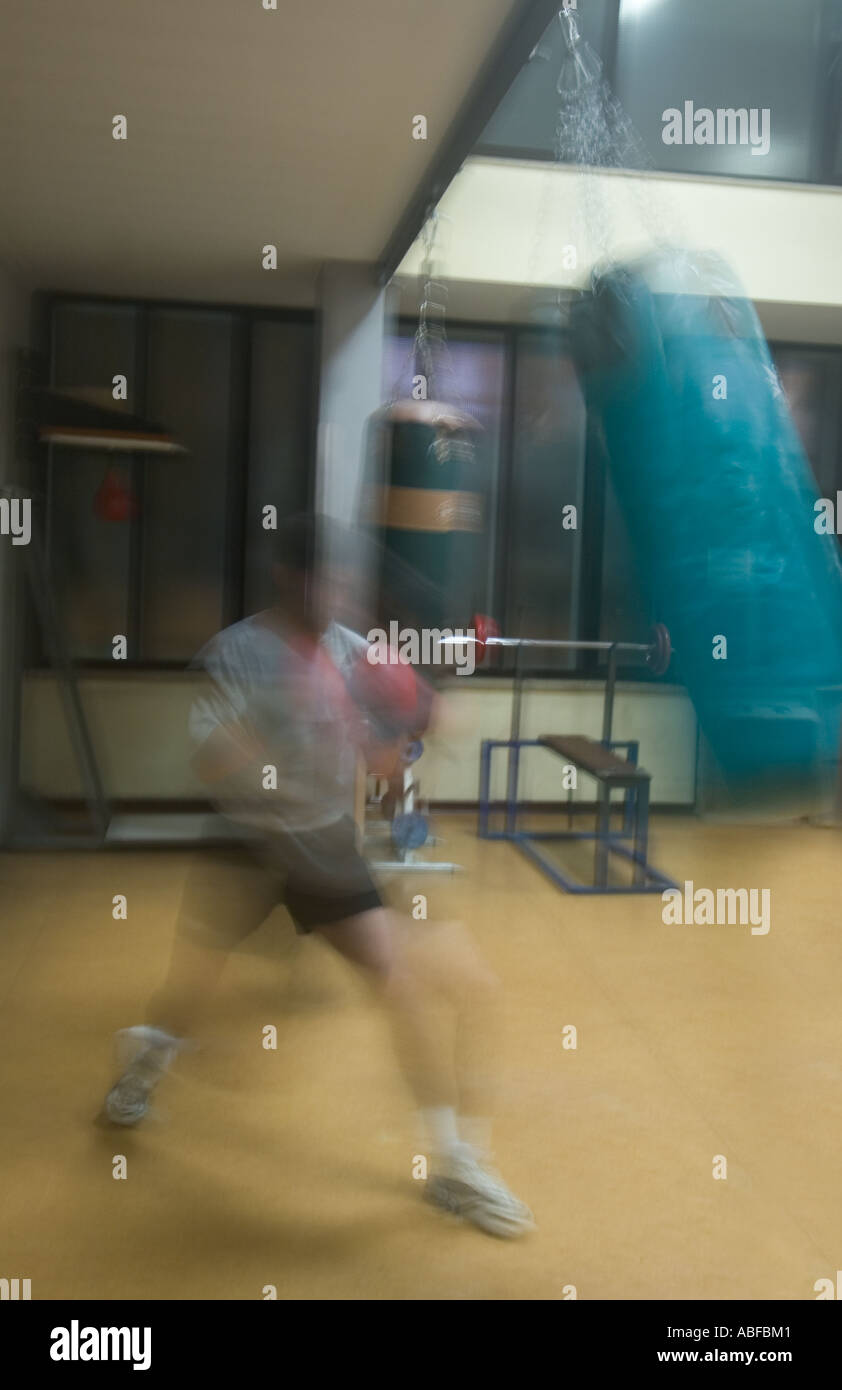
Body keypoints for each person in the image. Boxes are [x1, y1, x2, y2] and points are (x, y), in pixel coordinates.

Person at [103, 515, 533, 1239]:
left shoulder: (357, 653)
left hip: (327, 853)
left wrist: (410, 740)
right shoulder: (237, 653)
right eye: (321, 579)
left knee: (410, 984)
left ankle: (455, 1164)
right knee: (190, 992)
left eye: (344, 581)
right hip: (249, 846)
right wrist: (292, 713)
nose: (335, 594)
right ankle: (143, 1065)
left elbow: (409, 739)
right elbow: (210, 758)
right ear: (288, 578)